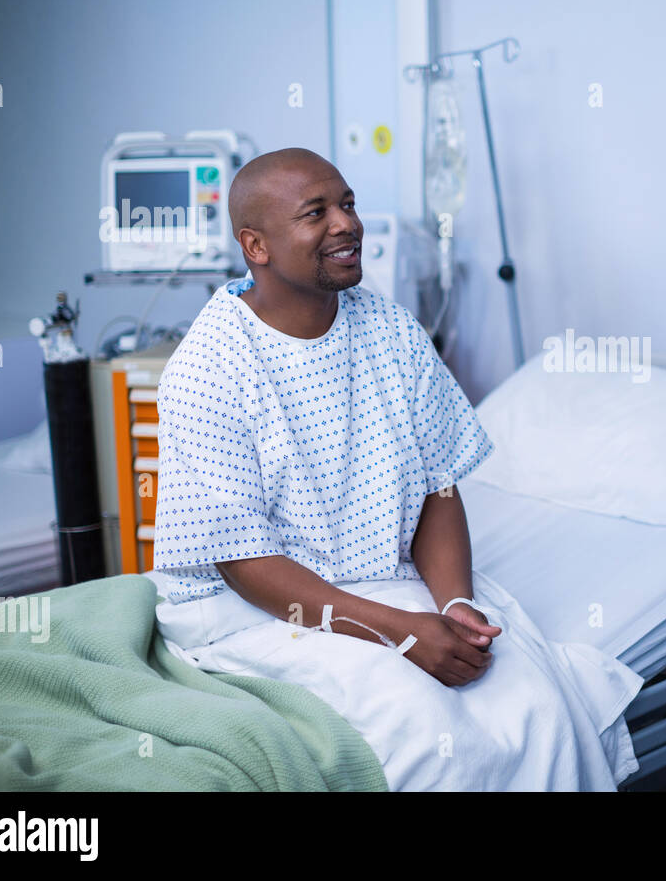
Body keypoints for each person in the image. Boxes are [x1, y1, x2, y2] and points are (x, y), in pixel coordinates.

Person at [151, 148, 640, 790]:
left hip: (382, 580)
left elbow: (438, 488)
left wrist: (454, 602)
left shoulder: (392, 332)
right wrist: (401, 634)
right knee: (424, 729)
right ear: (256, 245)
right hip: (256, 611)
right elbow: (245, 564)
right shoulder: (209, 368)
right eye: (315, 213)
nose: (346, 224)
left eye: (348, 204)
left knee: (538, 702)